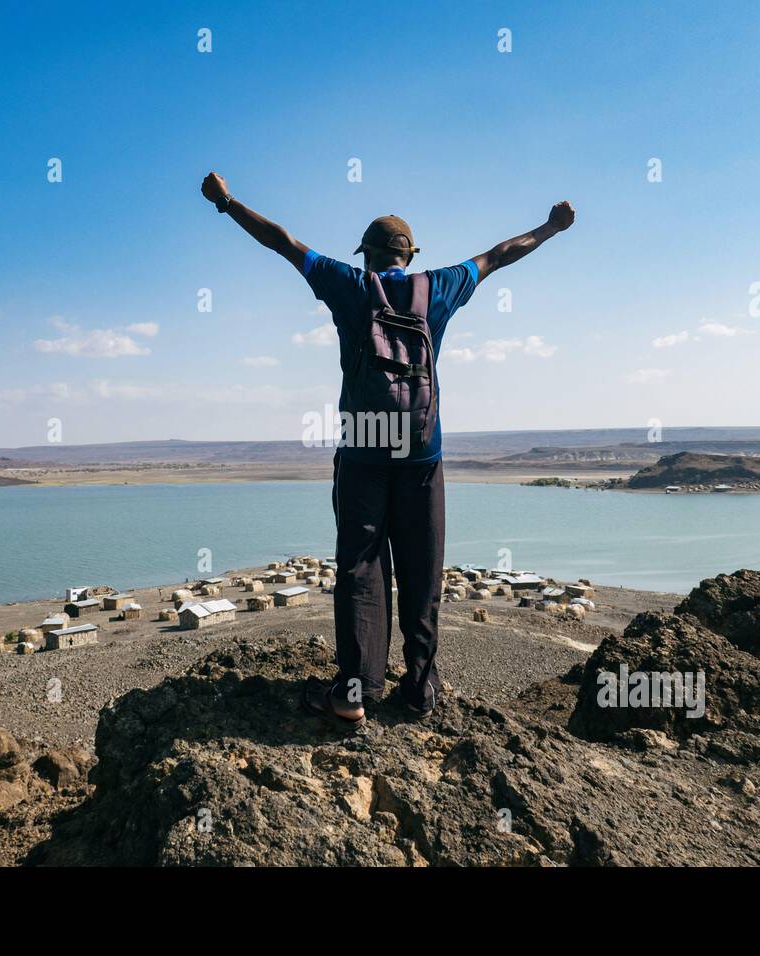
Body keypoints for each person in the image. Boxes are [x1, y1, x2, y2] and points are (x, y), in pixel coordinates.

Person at [201, 171, 575, 727]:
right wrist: (552, 226)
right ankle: (420, 689)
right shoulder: (440, 287)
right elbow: (499, 255)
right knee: (422, 570)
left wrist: (227, 203)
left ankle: (353, 693)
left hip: (363, 454)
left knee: (361, 569)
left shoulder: (348, 285)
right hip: (423, 454)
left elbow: (284, 242)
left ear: (369, 255)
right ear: (409, 253)